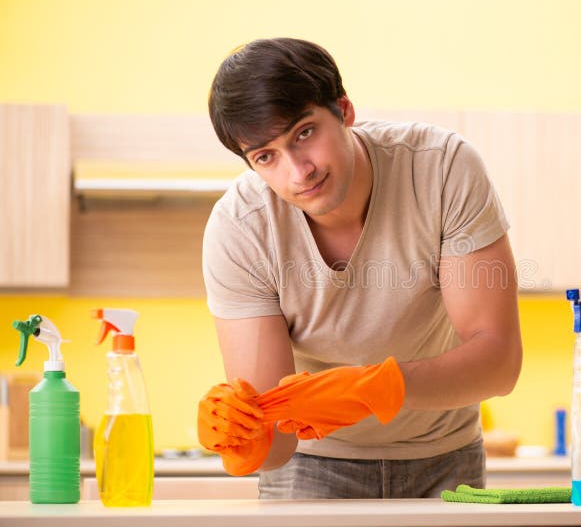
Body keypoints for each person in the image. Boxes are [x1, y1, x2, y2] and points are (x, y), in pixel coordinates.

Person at [198, 37, 523, 499]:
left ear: (344, 110)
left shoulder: (442, 169)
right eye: (266, 157)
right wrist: (242, 439)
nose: (298, 171)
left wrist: (375, 387)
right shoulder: (242, 229)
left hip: (445, 457)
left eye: (304, 133)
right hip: (311, 468)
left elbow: (498, 362)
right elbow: (275, 441)